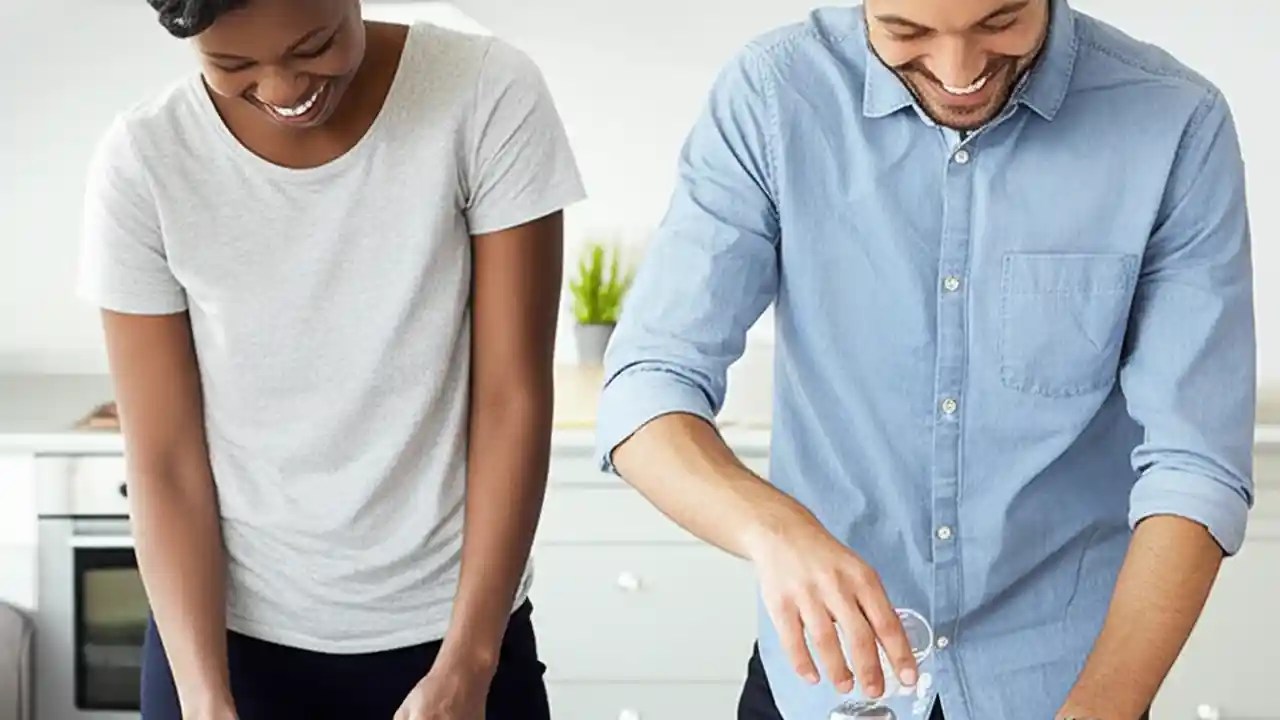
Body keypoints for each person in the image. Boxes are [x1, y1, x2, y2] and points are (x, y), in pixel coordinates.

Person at [596, 0, 1255, 718]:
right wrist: (772, 528)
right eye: (906, 32)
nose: (957, 71)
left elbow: (1193, 465)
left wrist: (1107, 704)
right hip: (826, 687)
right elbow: (648, 384)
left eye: (998, 23)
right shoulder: (772, 97)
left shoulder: (1173, 124)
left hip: (1070, 685)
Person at [78, 0, 584, 717]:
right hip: (222, 642)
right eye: (233, 66)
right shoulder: (145, 159)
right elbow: (163, 457)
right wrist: (203, 697)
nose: (284, 89)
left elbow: (511, 397)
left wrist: (470, 663)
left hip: (452, 632)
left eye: (313, 46)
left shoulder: (483, 90)